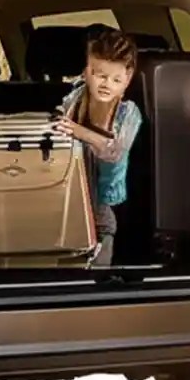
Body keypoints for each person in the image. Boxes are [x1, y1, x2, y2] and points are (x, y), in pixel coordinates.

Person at [56, 26, 143, 267]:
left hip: (108, 201)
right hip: (73, 189)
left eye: (116, 80)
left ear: (127, 81)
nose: (107, 84)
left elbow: (115, 151)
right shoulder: (77, 98)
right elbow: (59, 122)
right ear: (86, 72)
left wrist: (80, 132)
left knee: (102, 239)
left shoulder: (129, 113)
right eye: (99, 75)